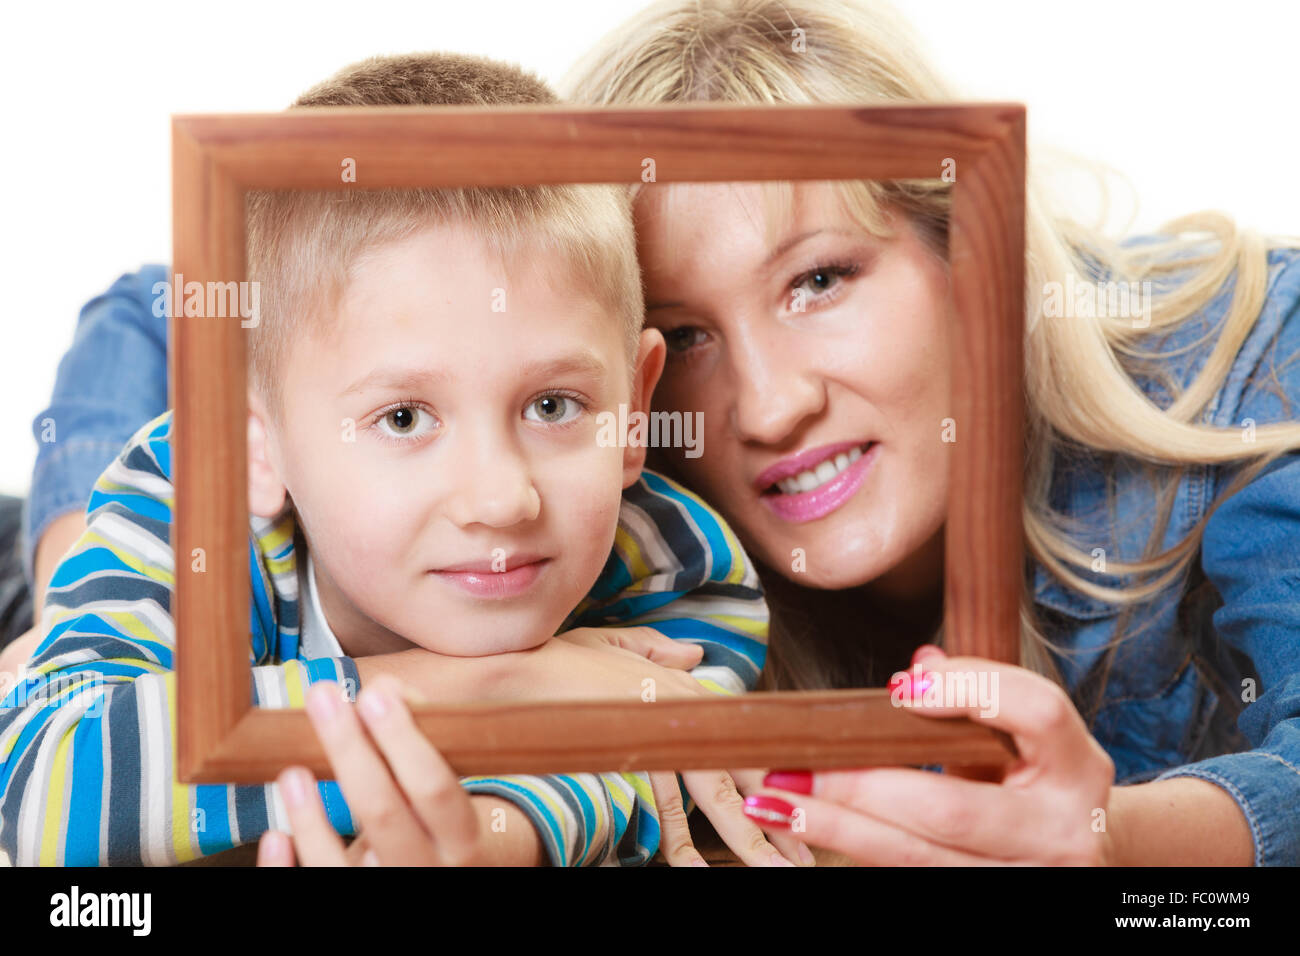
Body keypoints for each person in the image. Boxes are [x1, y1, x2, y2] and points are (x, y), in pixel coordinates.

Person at [551, 0, 1300, 866]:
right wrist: (478, 683)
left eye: (819, 280)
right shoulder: (617, 545)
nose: (769, 408)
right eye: (685, 337)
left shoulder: (1251, 361)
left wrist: (1120, 842)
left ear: (966, 246)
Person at [0, 50, 793, 867]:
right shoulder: (195, 499)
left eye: (553, 406)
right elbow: (42, 789)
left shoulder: (673, 566)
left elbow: (620, 758)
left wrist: (493, 836)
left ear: (634, 408)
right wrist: (499, 686)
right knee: (132, 329)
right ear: (252, 449)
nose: (501, 500)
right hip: (63, 576)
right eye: (406, 417)